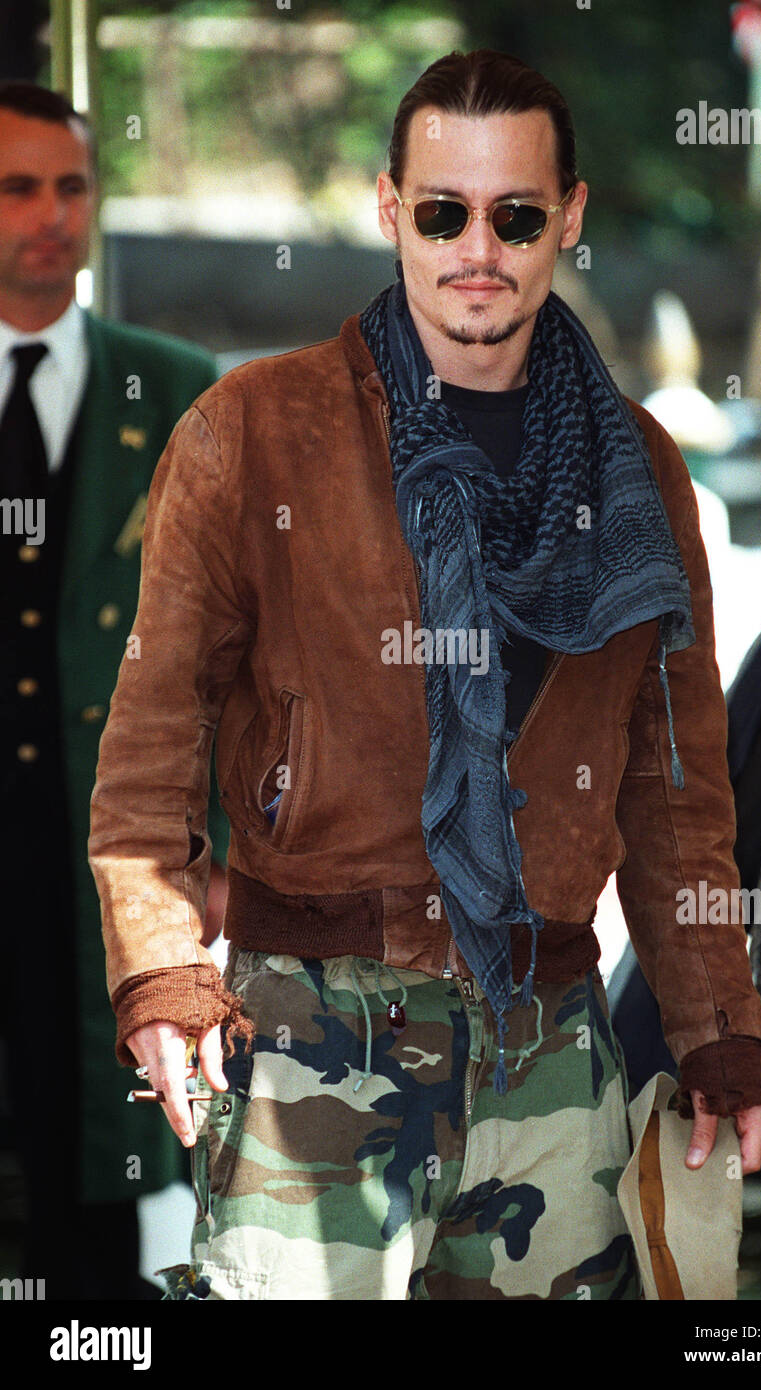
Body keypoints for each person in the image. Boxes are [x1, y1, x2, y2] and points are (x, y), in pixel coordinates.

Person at [89, 50, 761, 1302]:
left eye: (515, 215)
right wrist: (160, 971)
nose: (479, 248)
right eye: (441, 212)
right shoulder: (252, 430)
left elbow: (673, 797)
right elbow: (149, 737)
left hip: (549, 1045)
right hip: (310, 1036)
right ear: (387, 208)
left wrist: (720, 1030)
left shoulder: (637, 475)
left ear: (565, 217)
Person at [0, 81, 227, 1299]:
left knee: (99, 1149)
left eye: (71, 185)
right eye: (16, 186)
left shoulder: (176, 384)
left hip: (109, 848)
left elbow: (241, 650)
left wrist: (222, 844)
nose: (50, 214)